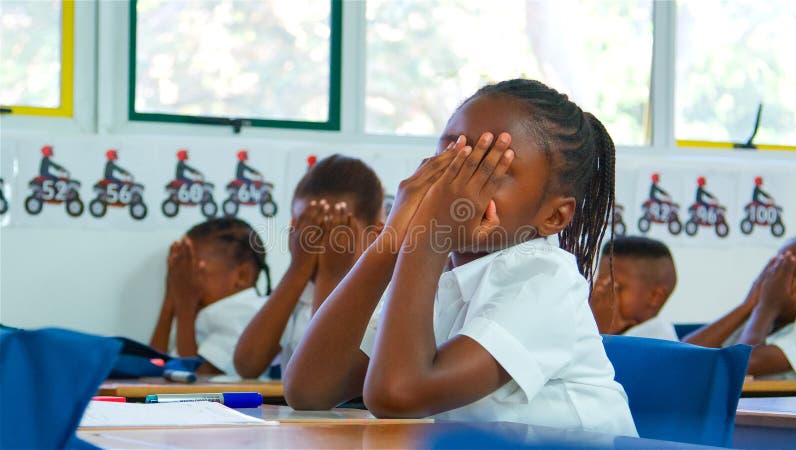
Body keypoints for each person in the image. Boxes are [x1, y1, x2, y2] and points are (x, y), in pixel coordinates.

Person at [284, 79, 637, 436]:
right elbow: (308, 389)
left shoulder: (545, 280)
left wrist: (427, 241)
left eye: (487, 169)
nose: (455, 183)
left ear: (553, 217)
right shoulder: (434, 275)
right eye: (449, 158)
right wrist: (391, 242)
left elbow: (397, 396)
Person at [233, 155, 385, 378]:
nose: (318, 244)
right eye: (308, 229)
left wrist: (332, 275)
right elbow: (247, 364)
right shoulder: (300, 290)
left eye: (337, 231)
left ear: (375, 236)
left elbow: (321, 378)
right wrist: (298, 269)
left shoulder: (382, 300)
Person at [149, 218, 271, 375]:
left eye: (195, 271)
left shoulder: (246, 312)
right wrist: (170, 300)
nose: (186, 281)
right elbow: (151, 366)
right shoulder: (198, 314)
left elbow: (197, 381)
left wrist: (185, 307)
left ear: (242, 275)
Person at [684, 236, 796, 379]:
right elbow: (684, 356)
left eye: (787, 272)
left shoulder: (765, 317)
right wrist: (748, 305)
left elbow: (741, 364)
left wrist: (767, 307)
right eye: (773, 270)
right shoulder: (759, 323)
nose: (773, 281)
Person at [590, 237, 678, 340]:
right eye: (600, 283)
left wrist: (601, 330)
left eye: (615, 287)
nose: (600, 292)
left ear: (656, 297)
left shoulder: (657, 341)